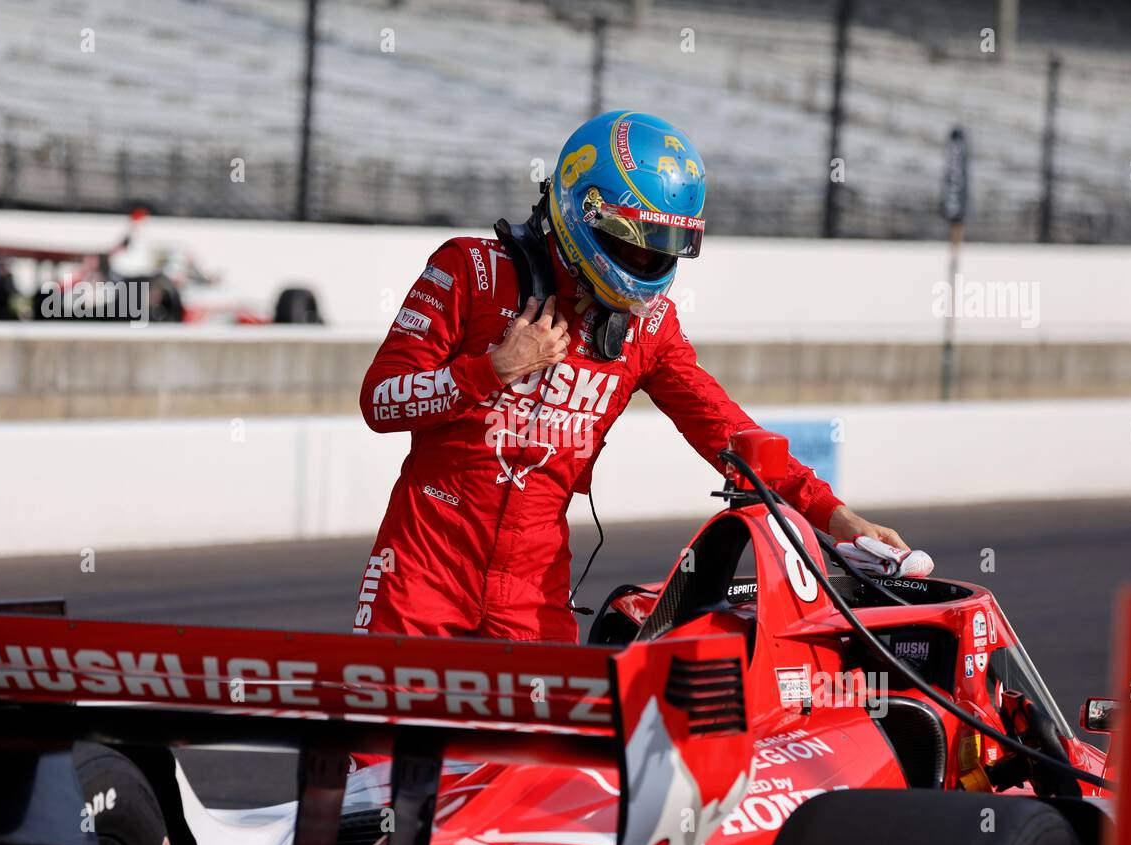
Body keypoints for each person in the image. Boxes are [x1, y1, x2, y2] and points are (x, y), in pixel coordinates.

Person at [352, 111, 907, 643]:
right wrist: (493, 369)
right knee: (375, 742)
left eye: (662, 244)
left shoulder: (650, 328)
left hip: (532, 588)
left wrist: (835, 516)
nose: (645, 260)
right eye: (632, 239)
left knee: (552, 743)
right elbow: (380, 401)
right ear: (580, 208)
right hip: (421, 570)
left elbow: (730, 434)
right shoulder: (469, 269)